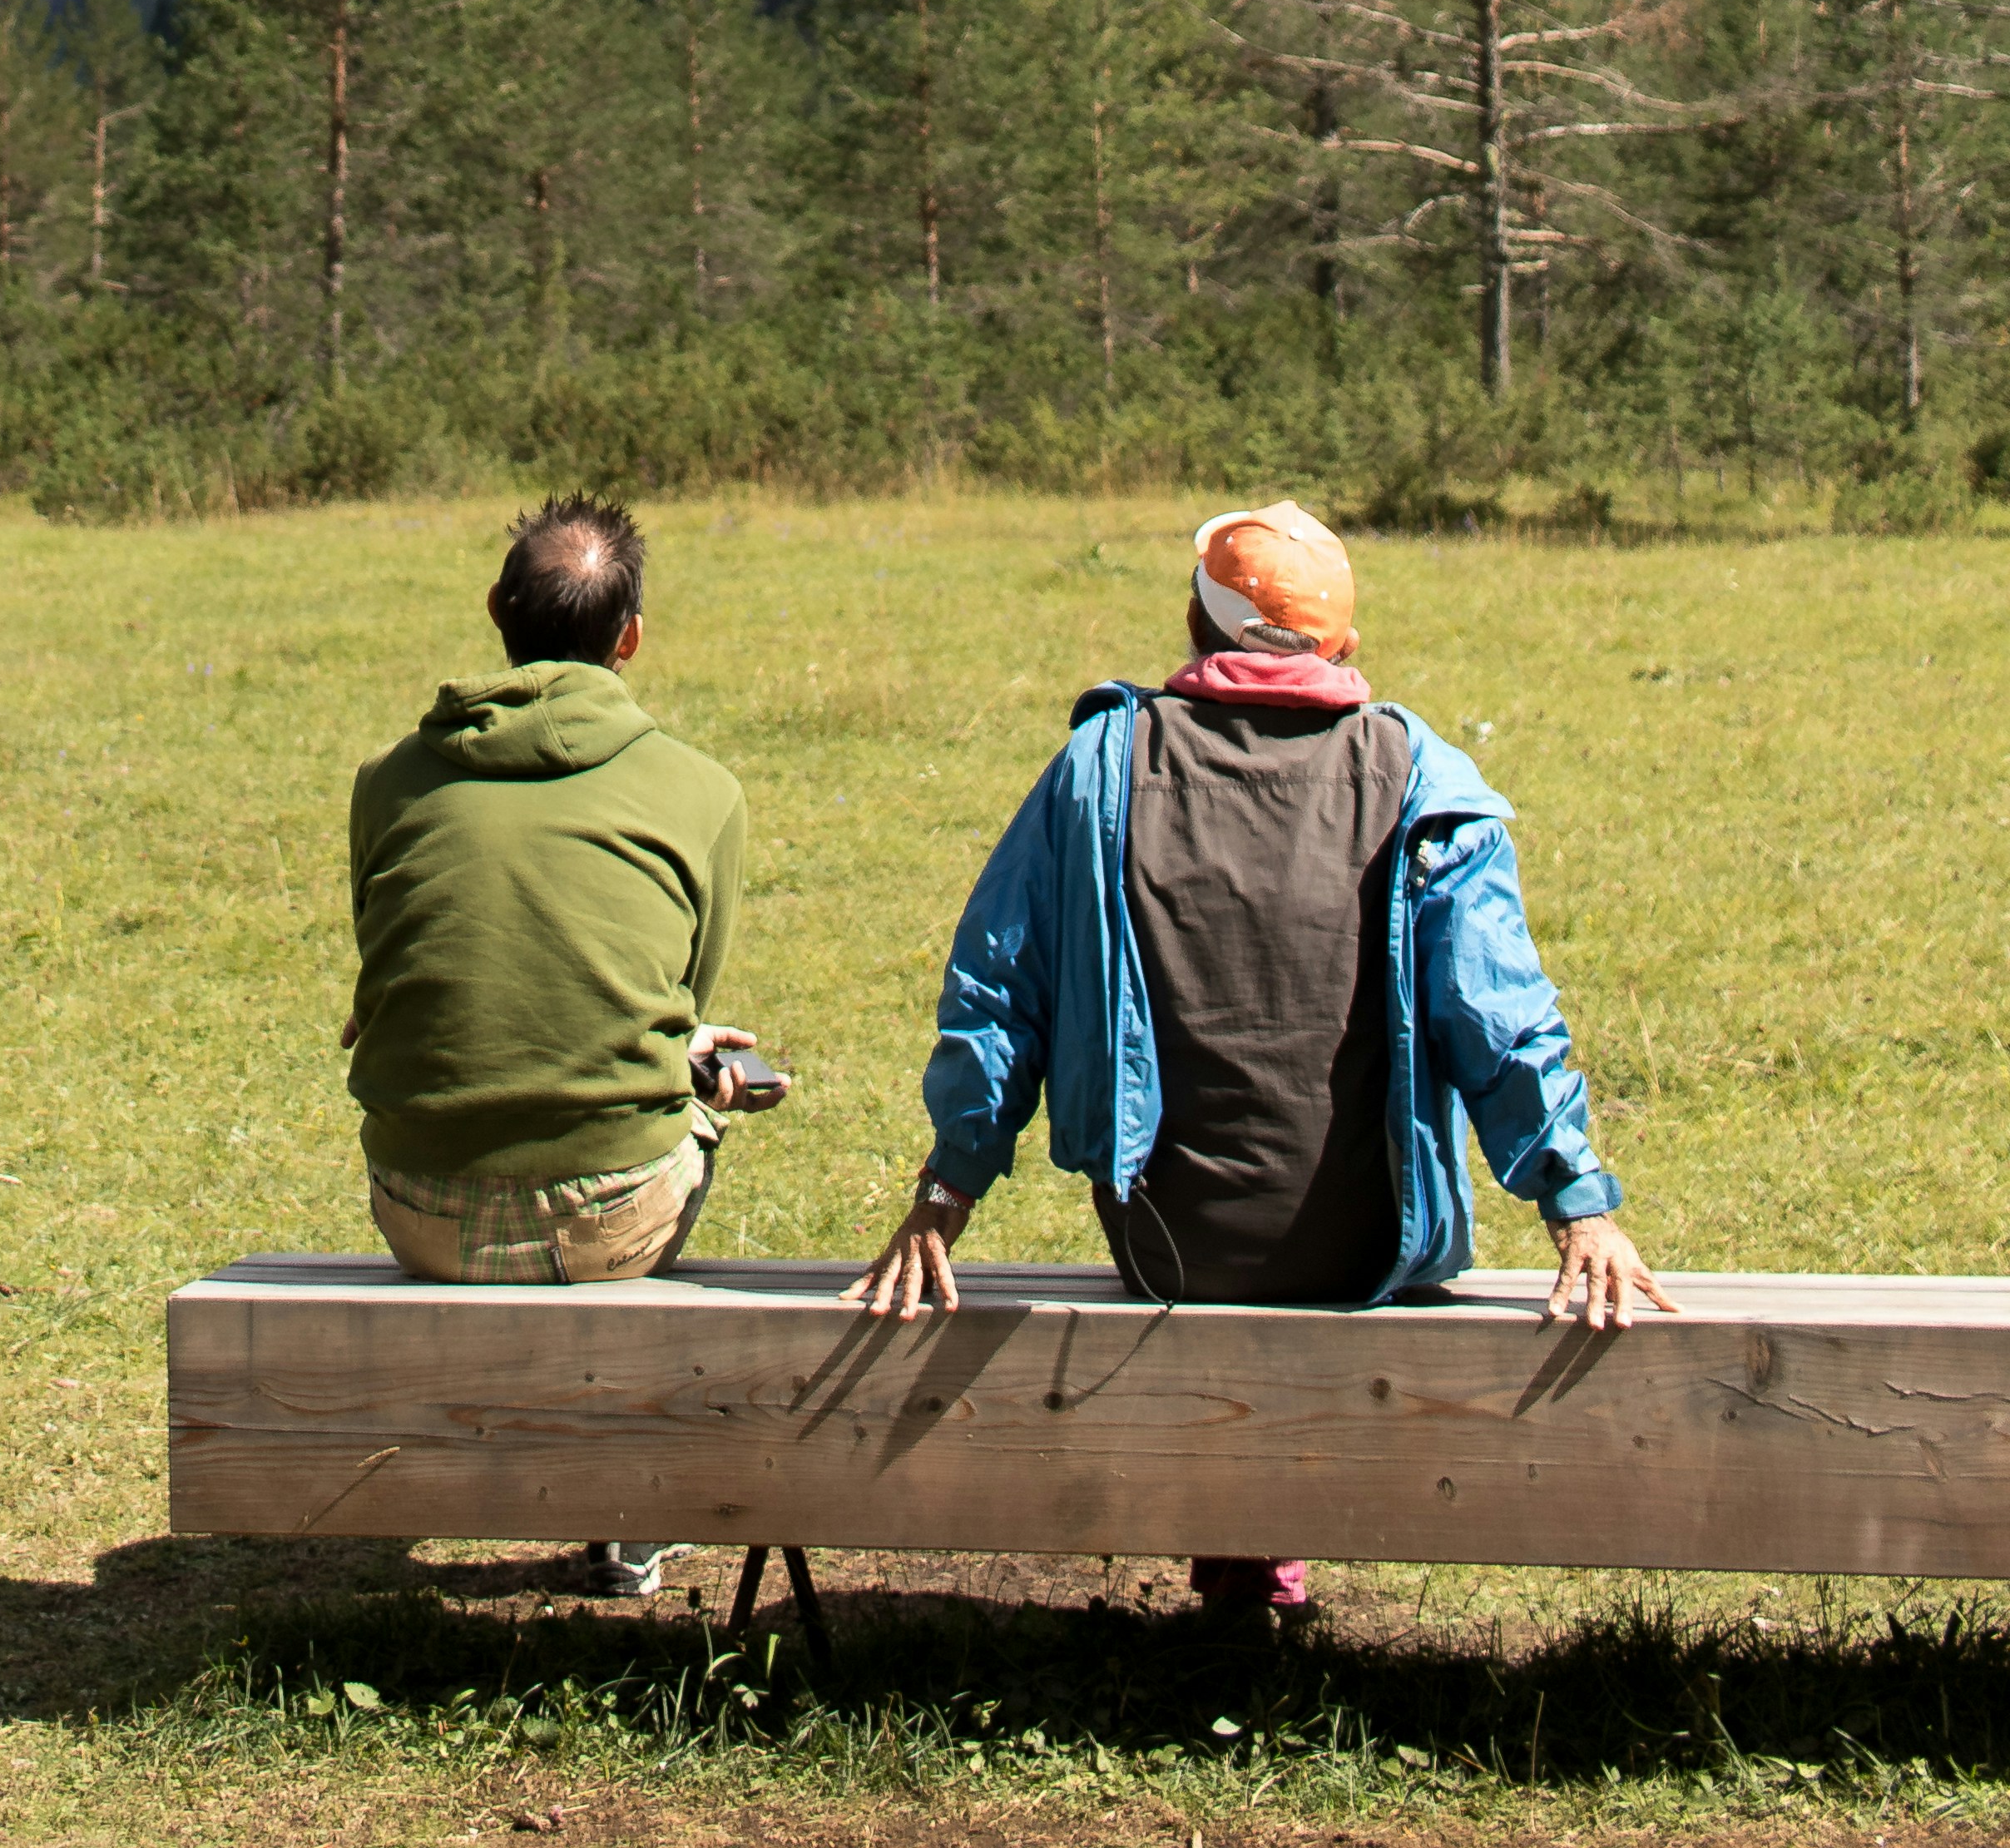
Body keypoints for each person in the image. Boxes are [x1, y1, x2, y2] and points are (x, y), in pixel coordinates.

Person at [846, 499, 1671, 1618]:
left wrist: (946, 1194)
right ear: (1345, 647)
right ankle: (1257, 1573)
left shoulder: (1102, 761)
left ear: (1198, 626)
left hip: (1168, 1240)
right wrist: (1578, 1201)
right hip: (1371, 1245)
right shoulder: (1421, 773)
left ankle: (1244, 1574)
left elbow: (998, 992)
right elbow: (1499, 1013)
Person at [345, 493, 768, 1598]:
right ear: (630, 636)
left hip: (421, 1209)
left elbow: (389, 966)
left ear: (495, 610)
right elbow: (683, 992)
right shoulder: (702, 790)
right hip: (614, 1217)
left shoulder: (390, 784)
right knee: (697, 1118)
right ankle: (625, 1515)